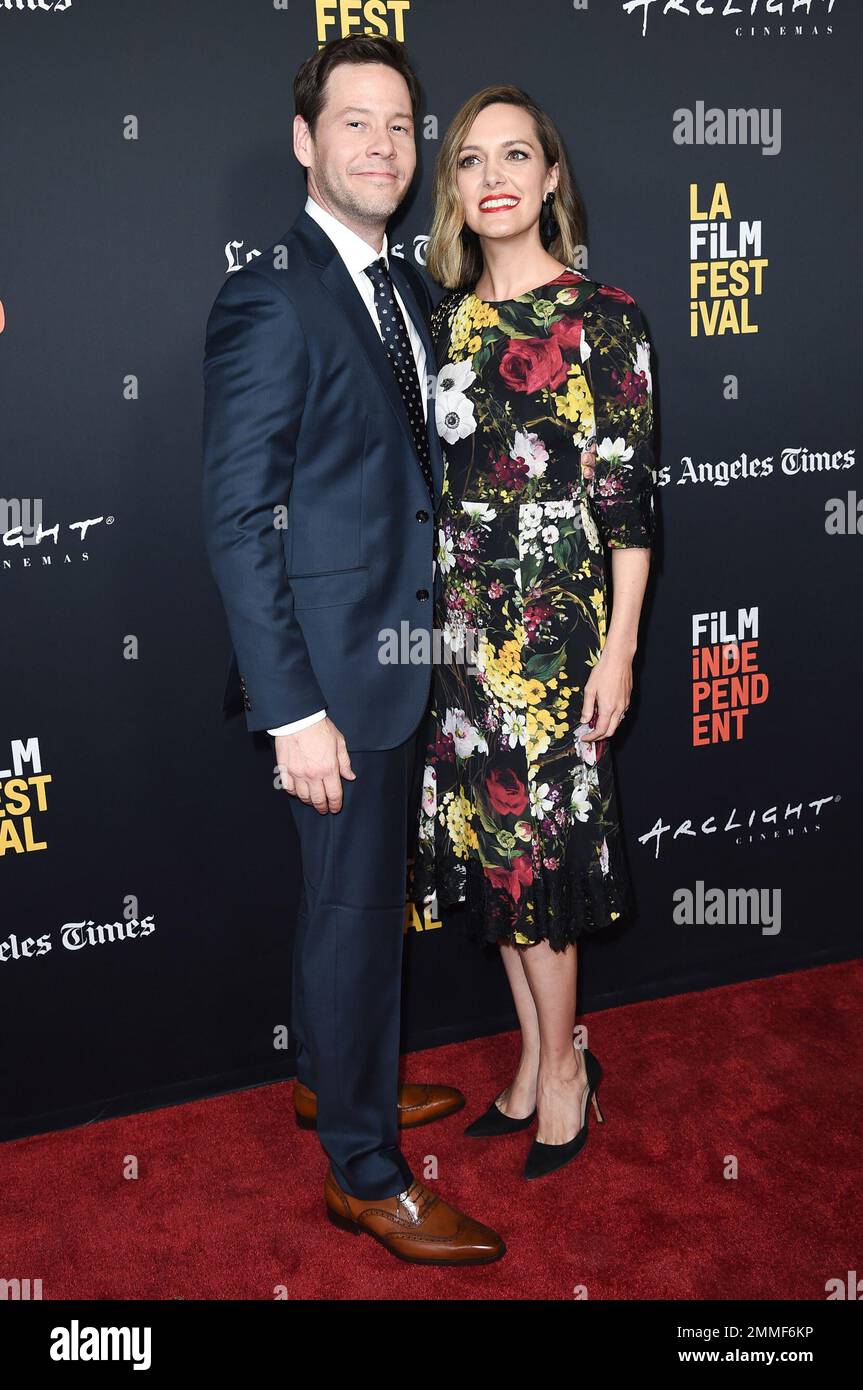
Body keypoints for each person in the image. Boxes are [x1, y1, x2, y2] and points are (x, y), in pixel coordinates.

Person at [202, 36, 504, 1263]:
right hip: (329, 685)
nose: (381, 145)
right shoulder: (272, 294)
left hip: (399, 658)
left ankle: (335, 1084)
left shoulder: (404, 289)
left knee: (351, 912)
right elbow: (235, 517)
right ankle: (366, 1174)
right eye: (354, 123)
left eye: (398, 125)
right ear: (303, 141)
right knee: (352, 910)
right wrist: (293, 712)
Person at [412, 86, 658, 1179]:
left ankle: (566, 1071)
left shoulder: (603, 318)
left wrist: (621, 648)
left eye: (517, 155)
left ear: (551, 176)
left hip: (555, 627)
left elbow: (627, 503)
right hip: (461, 625)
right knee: (494, 849)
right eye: (471, 160)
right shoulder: (444, 319)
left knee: (536, 853)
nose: (494, 175)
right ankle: (530, 1058)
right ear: (454, 188)